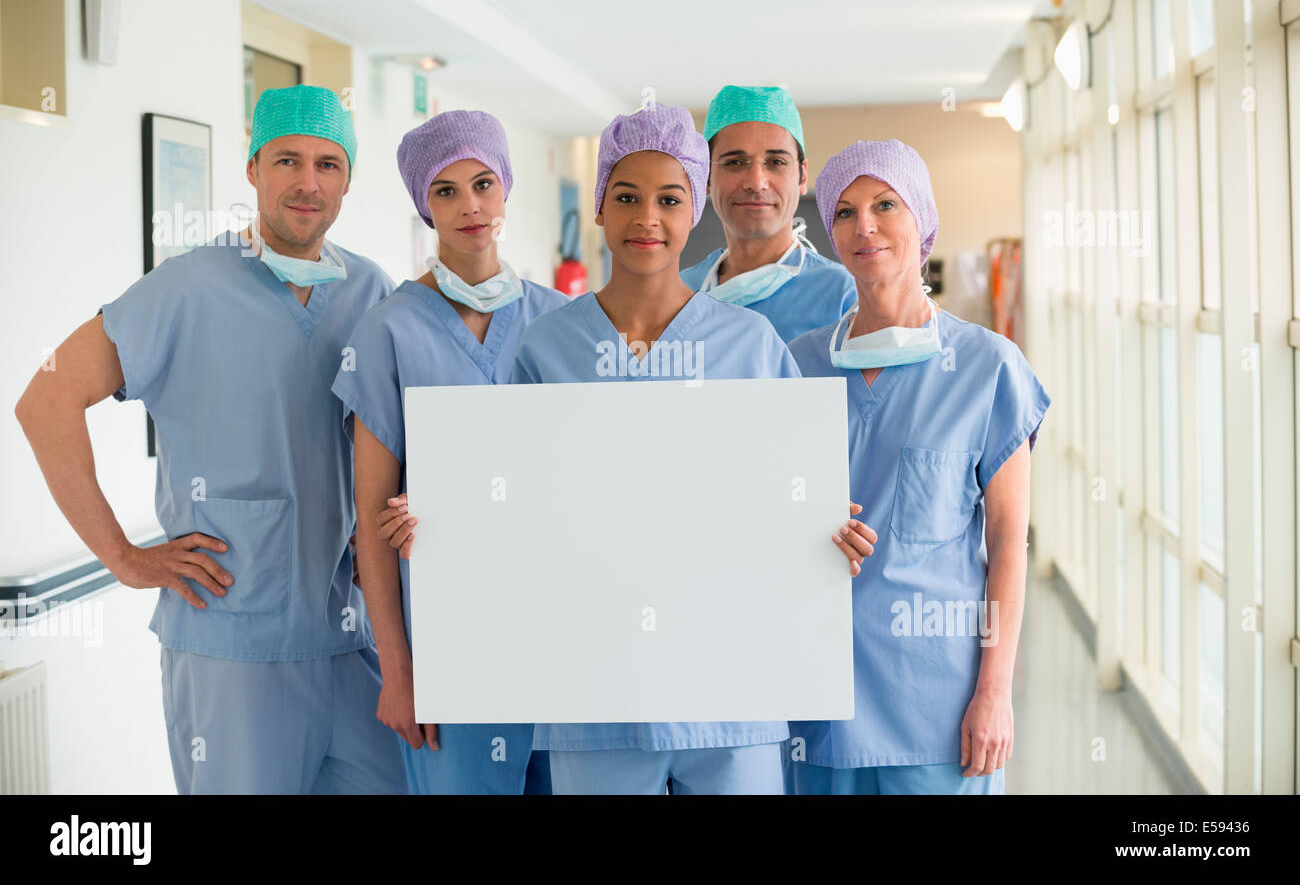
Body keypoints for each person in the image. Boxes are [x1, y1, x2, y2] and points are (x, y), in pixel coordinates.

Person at [14, 85, 406, 794]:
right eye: (288, 160)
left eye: (328, 163)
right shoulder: (186, 289)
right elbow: (45, 400)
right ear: (253, 168)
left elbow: (406, 432)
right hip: (232, 650)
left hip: (354, 640)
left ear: (348, 179)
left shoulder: (373, 290)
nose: (308, 182)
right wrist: (124, 558)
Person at [485, 104, 871, 795]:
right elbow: (517, 504)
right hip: (594, 689)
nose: (647, 219)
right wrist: (446, 516)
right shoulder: (547, 347)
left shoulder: (749, 345)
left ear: (695, 211)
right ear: (598, 209)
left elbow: (790, 491)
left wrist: (822, 521)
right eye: (626, 198)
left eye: (669, 199)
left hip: (731, 686)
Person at [784, 140, 1050, 794]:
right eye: (843, 212)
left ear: (922, 219)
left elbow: (1008, 540)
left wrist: (995, 692)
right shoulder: (796, 364)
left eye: (885, 204)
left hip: (938, 709)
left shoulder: (987, 366)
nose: (863, 226)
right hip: (815, 703)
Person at [332, 110, 566, 794]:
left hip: (557, 639)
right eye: (446, 190)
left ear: (506, 190)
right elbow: (372, 525)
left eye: (484, 183)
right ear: (424, 207)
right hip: (448, 653)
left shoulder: (561, 320)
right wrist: (399, 675)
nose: (470, 205)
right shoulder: (388, 330)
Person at [679, 85, 855, 341]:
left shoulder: (842, 295)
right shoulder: (681, 292)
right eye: (734, 162)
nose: (756, 182)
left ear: (802, 175)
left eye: (776, 162)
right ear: (706, 175)